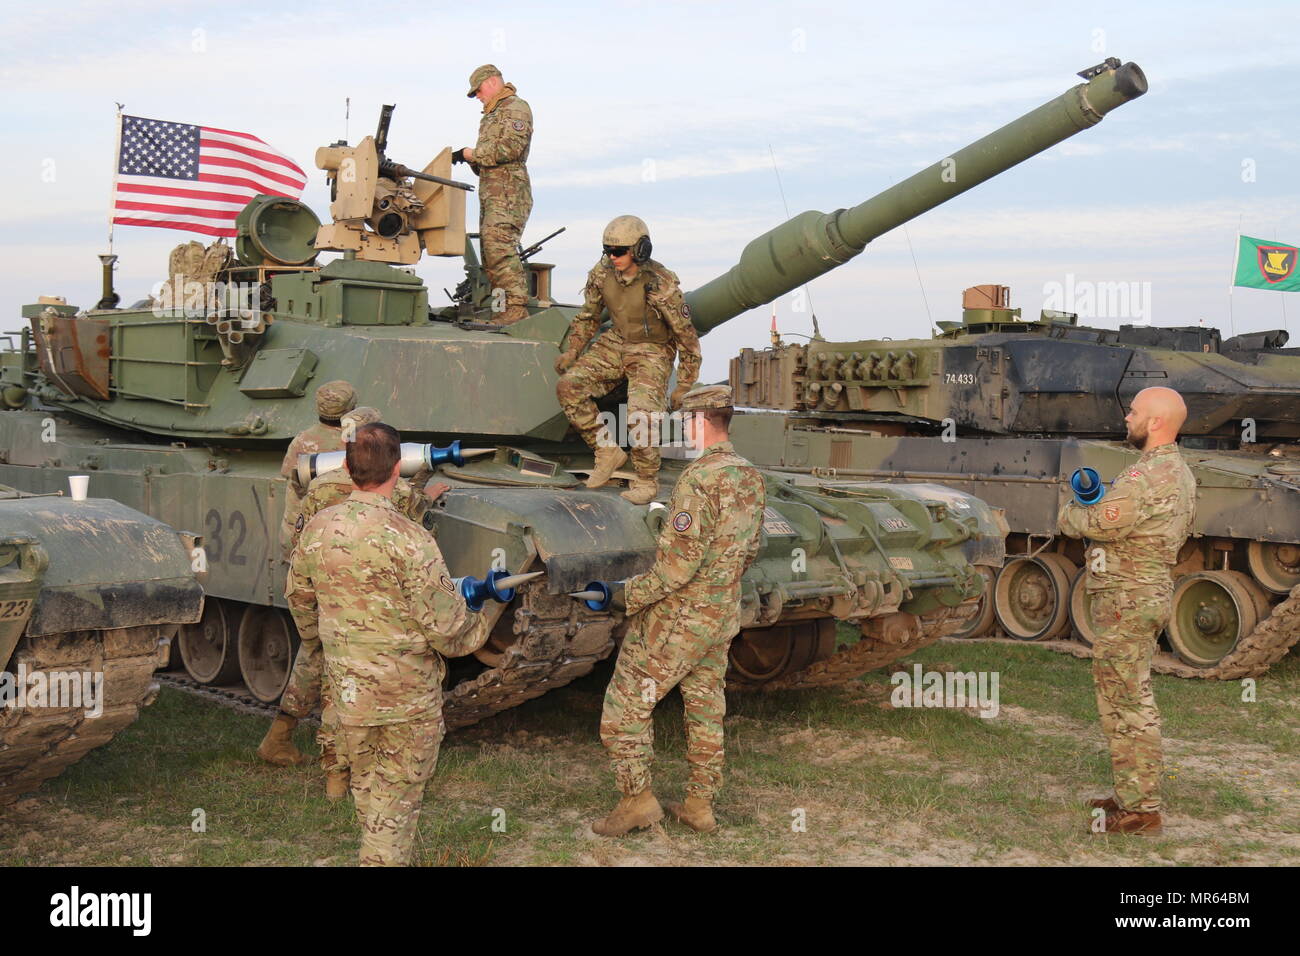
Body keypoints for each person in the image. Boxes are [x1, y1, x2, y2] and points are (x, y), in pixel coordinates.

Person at [285, 422, 490, 866]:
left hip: (348, 693)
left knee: (369, 787)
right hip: (405, 697)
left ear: (346, 466)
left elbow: (300, 600)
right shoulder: (411, 538)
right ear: (398, 468)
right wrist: (483, 621)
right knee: (396, 797)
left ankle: (376, 852)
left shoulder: (318, 527)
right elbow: (447, 629)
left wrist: (325, 643)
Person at [590, 385, 765, 836]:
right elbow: (750, 550)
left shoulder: (698, 480)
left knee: (624, 709)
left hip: (679, 621)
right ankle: (700, 806)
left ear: (699, 421)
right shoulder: (748, 474)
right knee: (706, 709)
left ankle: (637, 802)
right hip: (721, 613)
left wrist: (623, 595)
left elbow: (676, 569)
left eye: (685, 421)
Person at [257, 407, 450, 798]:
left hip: (326, 587)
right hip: (372, 598)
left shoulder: (321, 485)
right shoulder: (397, 492)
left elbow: (301, 532)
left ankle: (313, 760)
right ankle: (351, 768)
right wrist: (424, 492)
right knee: (349, 682)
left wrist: (309, 622)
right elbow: (411, 518)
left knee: (326, 672)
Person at [1058, 386, 1196, 836]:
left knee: (1127, 701)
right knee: (1125, 696)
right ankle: (1130, 793)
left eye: (1133, 412)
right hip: (1144, 594)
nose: (1126, 418)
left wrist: (1072, 509)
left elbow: (1094, 523)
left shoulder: (1144, 478)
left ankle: (1142, 810)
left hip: (1127, 601)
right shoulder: (1179, 471)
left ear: (1155, 422)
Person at [554, 216, 702, 505]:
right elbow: (589, 316)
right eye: (607, 250)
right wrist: (573, 350)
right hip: (617, 341)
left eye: (619, 251)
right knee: (569, 386)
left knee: (642, 415)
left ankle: (646, 480)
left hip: (652, 348)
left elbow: (686, 336)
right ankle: (607, 450)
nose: (612, 256)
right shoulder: (602, 273)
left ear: (640, 250)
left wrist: (684, 384)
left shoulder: (661, 284)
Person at [454, 64, 533, 325]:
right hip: (492, 193)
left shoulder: (515, 107)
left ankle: (516, 308)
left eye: (478, 91)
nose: (478, 96)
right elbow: (490, 155)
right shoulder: (492, 114)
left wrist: (470, 154)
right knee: (490, 255)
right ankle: (502, 310)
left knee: (500, 249)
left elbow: (510, 148)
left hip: (509, 193)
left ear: (490, 83)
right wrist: (471, 160)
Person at [278, 380, 357, 559]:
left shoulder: (301, 440)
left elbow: (289, 477)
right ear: (352, 409)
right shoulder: (355, 444)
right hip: (337, 542)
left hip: (299, 537)